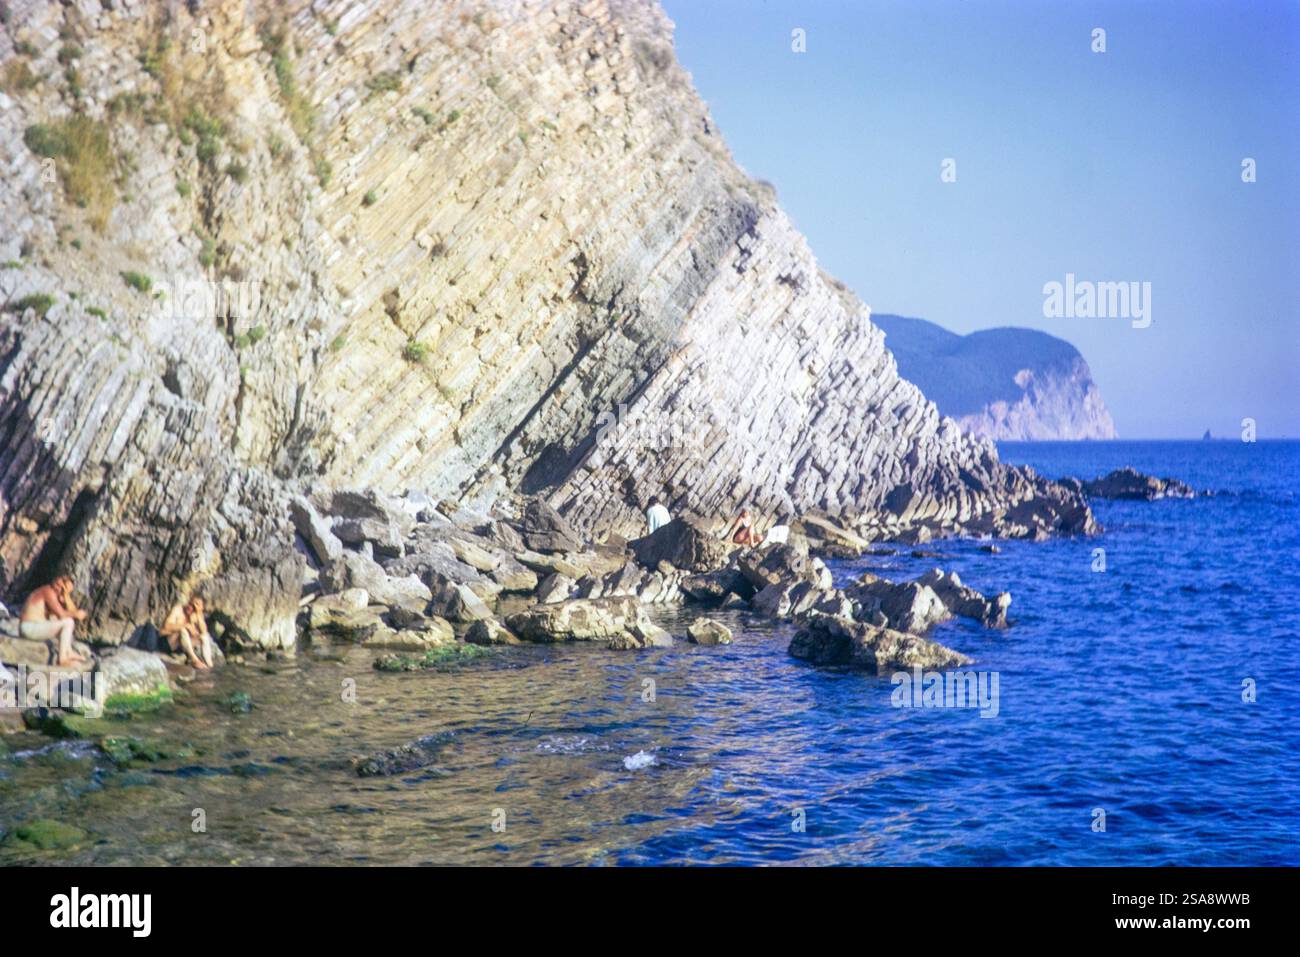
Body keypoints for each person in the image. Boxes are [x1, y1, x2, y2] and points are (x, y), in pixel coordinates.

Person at [20, 575, 89, 666]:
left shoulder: (57, 594)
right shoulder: (47, 591)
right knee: (68, 622)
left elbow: (71, 611)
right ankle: (62, 659)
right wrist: (77, 614)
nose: (58, 588)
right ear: (55, 582)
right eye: (58, 584)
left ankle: (69, 652)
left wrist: (66, 595)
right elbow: (62, 614)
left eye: (63, 588)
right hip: (28, 628)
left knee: (65, 620)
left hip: (34, 627)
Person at [160, 596, 214, 669]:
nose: (191, 607)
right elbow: (165, 627)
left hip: (182, 647)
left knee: (205, 636)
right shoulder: (178, 610)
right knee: (183, 630)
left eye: (194, 606)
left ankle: (209, 665)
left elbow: (204, 632)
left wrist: (198, 614)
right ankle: (195, 660)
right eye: (190, 604)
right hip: (168, 643)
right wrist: (186, 626)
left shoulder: (196, 615)